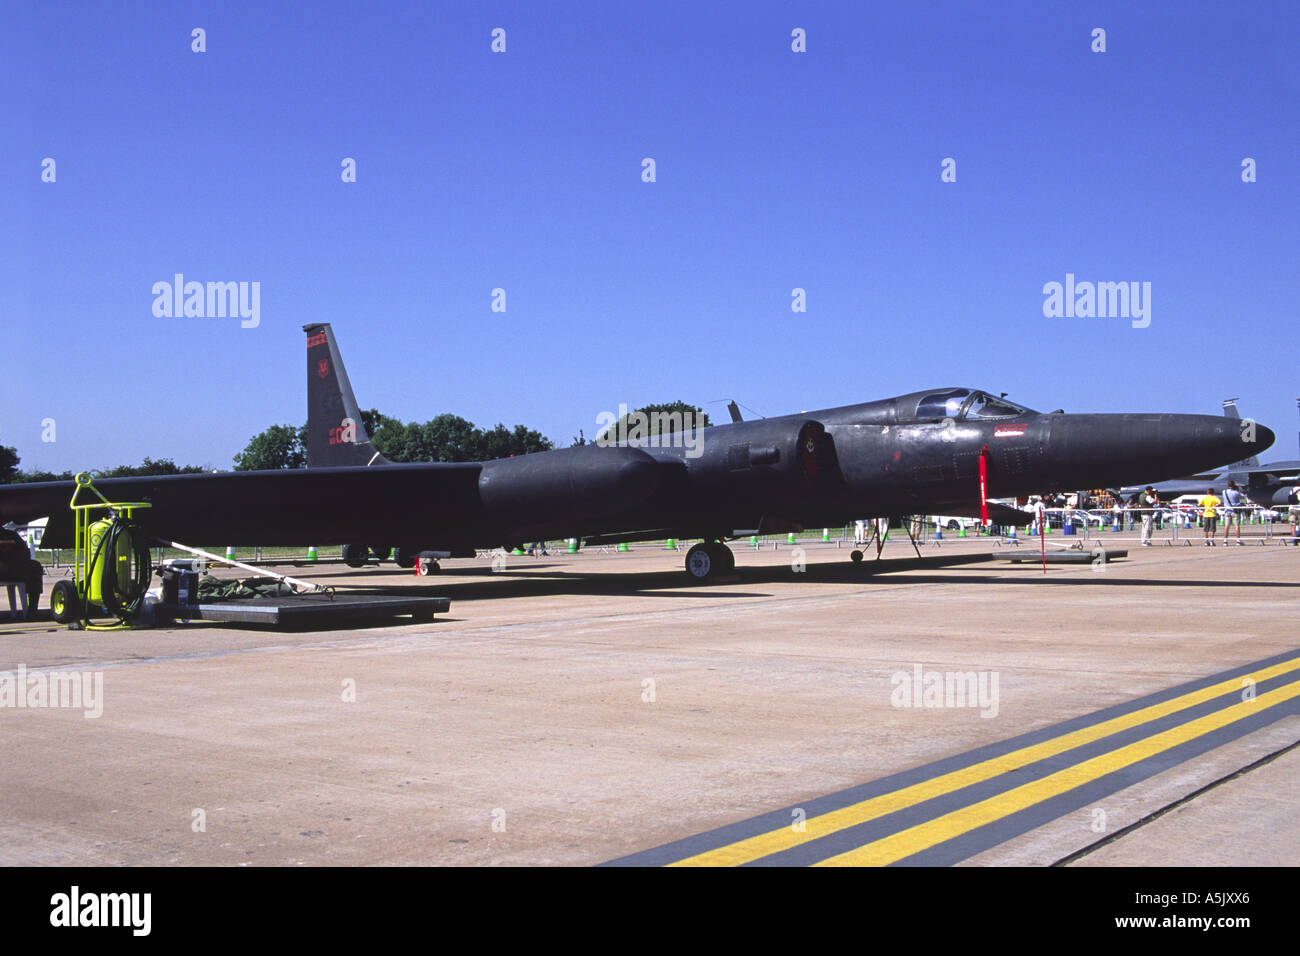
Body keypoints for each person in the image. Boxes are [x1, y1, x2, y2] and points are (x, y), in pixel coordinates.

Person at [0, 526, 44, 616]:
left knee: (35, 566)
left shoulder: (11, 534)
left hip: (14, 566)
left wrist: (11, 551)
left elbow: (26, 553)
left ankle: (32, 609)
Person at [1221, 480, 1246, 545]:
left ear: (1228, 485)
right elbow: (1243, 497)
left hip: (1227, 510)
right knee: (1236, 526)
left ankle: (1225, 541)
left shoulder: (1224, 492)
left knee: (1226, 526)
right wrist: (1238, 490)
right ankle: (1238, 541)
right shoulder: (1236, 492)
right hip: (1235, 510)